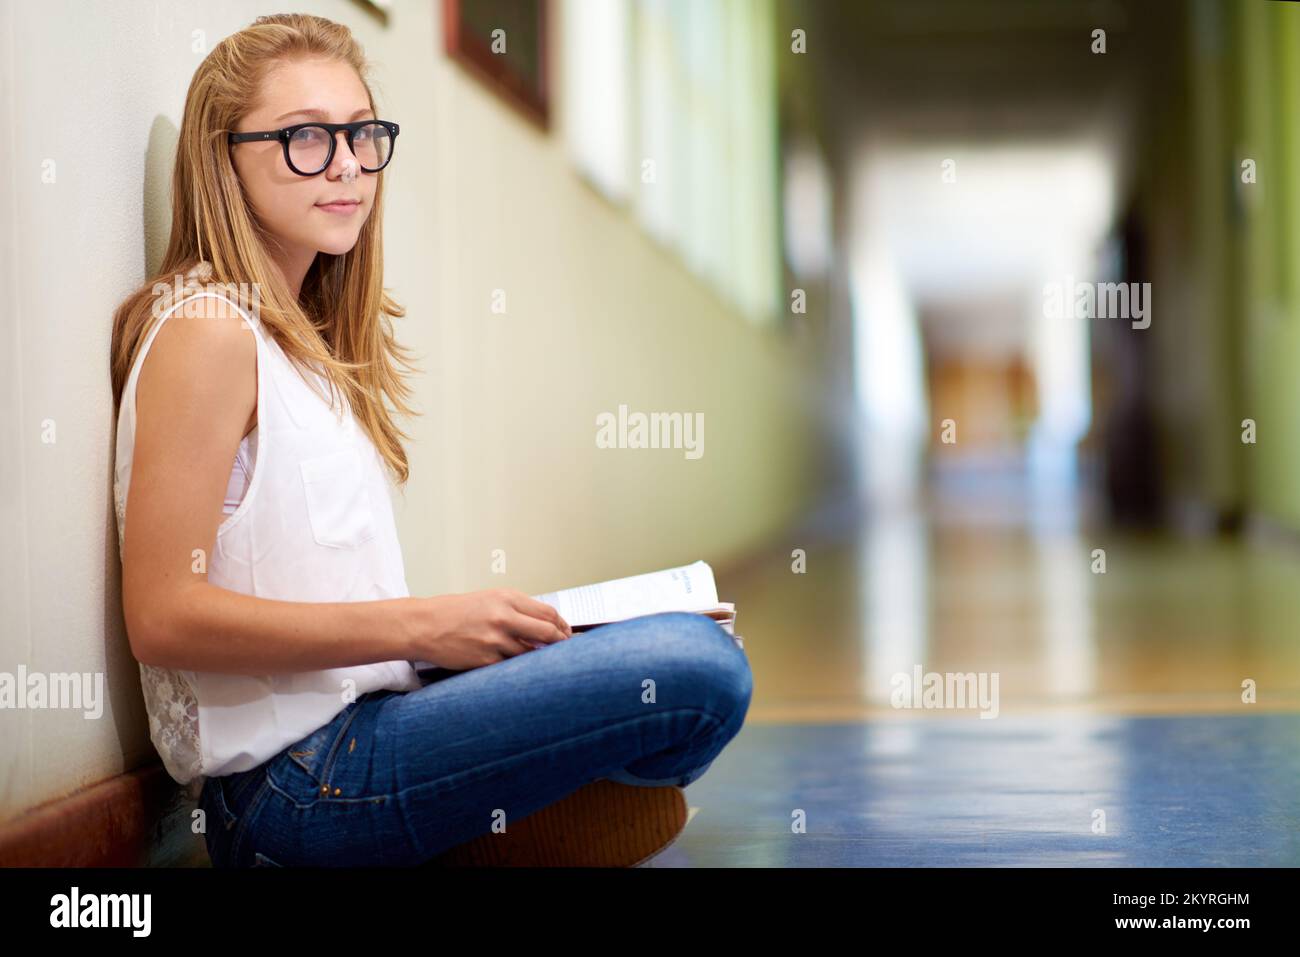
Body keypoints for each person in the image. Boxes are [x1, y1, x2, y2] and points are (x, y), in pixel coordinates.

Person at [108, 13, 751, 867]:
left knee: (686, 641)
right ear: (223, 158)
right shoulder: (207, 331)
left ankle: (456, 829)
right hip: (293, 787)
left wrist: (481, 638)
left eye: (361, 135)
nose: (345, 165)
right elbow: (162, 615)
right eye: (305, 137)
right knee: (695, 669)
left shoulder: (301, 341)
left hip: (366, 722)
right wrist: (422, 626)